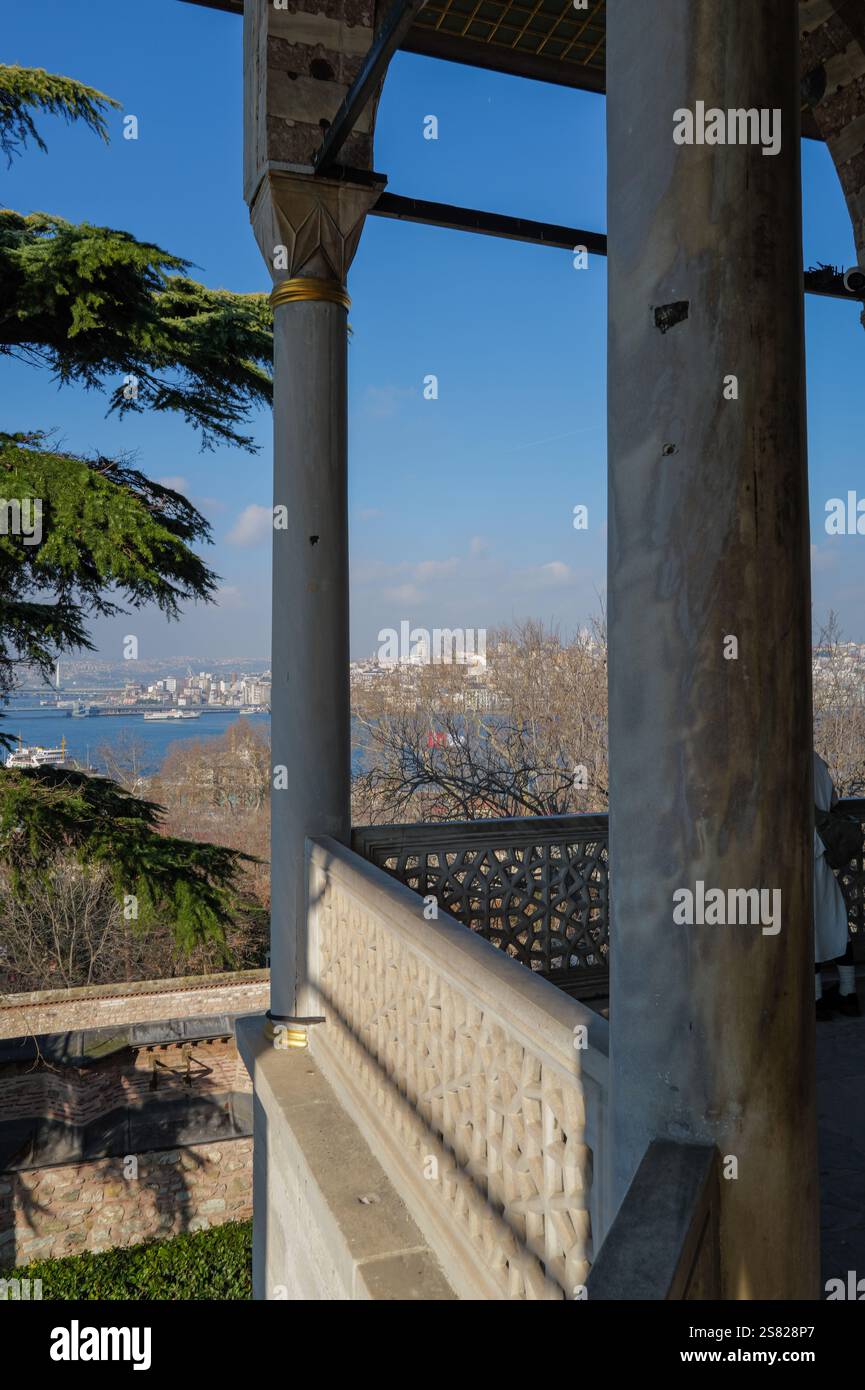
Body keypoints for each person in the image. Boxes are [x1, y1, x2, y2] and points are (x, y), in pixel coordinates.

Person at [814, 750, 861, 1020]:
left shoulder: (788, 762)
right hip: (823, 853)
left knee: (808, 927)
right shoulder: (818, 762)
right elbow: (832, 800)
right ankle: (848, 992)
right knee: (836, 924)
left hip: (800, 855)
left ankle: (816, 999)